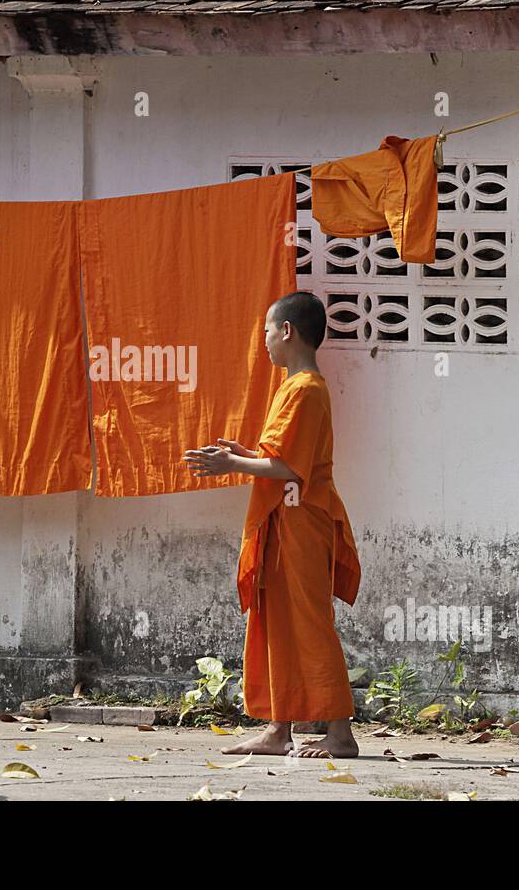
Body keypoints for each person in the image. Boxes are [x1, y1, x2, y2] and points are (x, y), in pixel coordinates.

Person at [183, 291, 362, 758]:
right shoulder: (291, 386)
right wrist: (244, 455)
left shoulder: (305, 389)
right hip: (285, 518)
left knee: (310, 622)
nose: (262, 340)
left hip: (302, 519)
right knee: (277, 622)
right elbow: (278, 457)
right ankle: (278, 729)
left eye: (266, 330)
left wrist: (233, 465)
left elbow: (289, 468)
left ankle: (341, 734)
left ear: (287, 331)